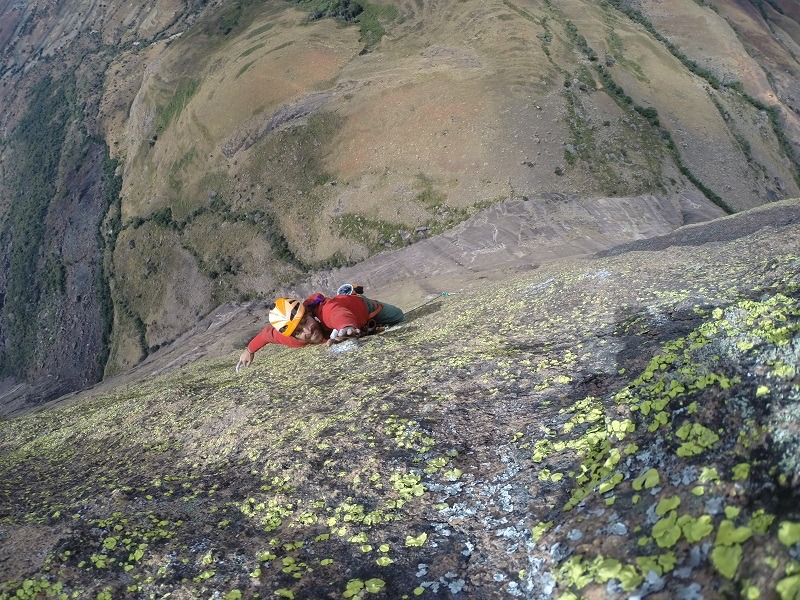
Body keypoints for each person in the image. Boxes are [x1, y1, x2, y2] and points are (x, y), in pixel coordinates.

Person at [237, 289, 404, 369]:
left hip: (362, 308)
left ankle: (349, 293)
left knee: (398, 316)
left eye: (305, 321)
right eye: (299, 332)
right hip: (349, 323)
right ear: (292, 336)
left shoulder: (325, 311)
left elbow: (337, 314)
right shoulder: (290, 339)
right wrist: (249, 350)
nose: (307, 331)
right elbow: (266, 335)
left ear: (310, 313)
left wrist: (346, 327)